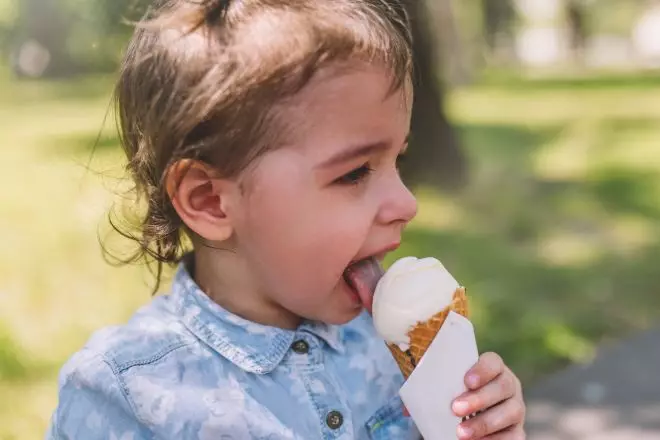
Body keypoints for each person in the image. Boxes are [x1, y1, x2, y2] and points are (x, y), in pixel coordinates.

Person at [46, 1, 526, 438]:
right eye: (355, 172)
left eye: (397, 160)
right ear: (210, 201)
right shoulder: (126, 398)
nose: (407, 203)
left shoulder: (390, 345)